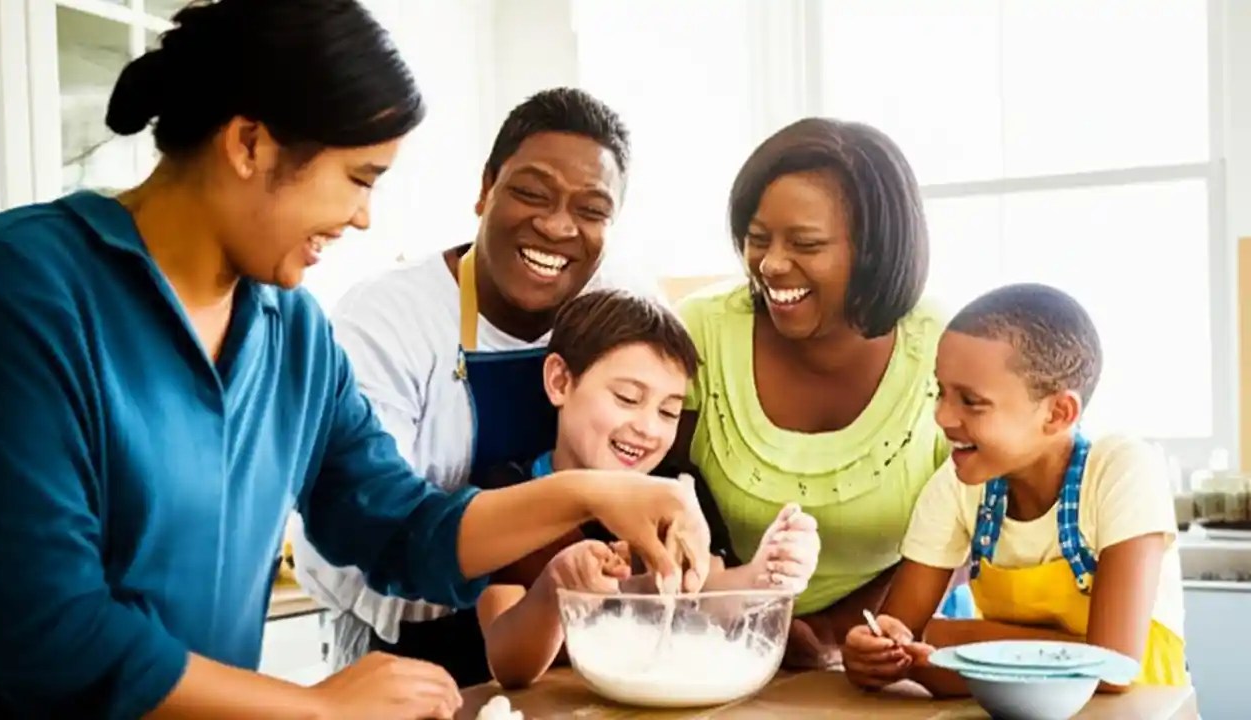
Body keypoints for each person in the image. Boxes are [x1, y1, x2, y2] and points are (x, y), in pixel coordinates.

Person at [0, 3, 710, 718]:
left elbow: (401, 528)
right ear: (250, 144)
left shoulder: (291, 331)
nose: (364, 216)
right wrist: (312, 708)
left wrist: (592, 494)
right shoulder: (21, 289)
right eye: (360, 178)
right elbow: (45, 628)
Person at [288, 87, 661, 685]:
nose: (558, 225)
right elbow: (363, 535)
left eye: (591, 210)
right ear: (486, 188)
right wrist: (525, 578)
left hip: (575, 641)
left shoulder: (620, 303)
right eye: (532, 193)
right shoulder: (390, 318)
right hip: (407, 644)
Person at [671, 117, 949, 668]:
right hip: (710, 649)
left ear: (873, 250)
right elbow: (654, 494)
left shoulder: (943, 350)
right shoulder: (699, 331)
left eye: (806, 243)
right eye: (757, 239)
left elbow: (956, 533)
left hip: (886, 651)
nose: (771, 264)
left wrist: (830, 636)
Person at [841, 284, 1188, 695]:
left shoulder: (1121, 470)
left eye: (971, 401)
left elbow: (1111, 670)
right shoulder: (956, 485)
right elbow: (902, 636)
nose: (942, 416)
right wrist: (873, 654)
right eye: (940, 392)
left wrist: (959, 643)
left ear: (1058, 413)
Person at [473, 289, 822, 688]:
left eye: (668, 411)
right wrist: (558, 586)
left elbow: (709, 596)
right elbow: (507, 662)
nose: (648, 428)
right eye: (627, 398)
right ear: (560, 381)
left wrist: (765, 573)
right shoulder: (508, 492)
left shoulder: (676, 491)